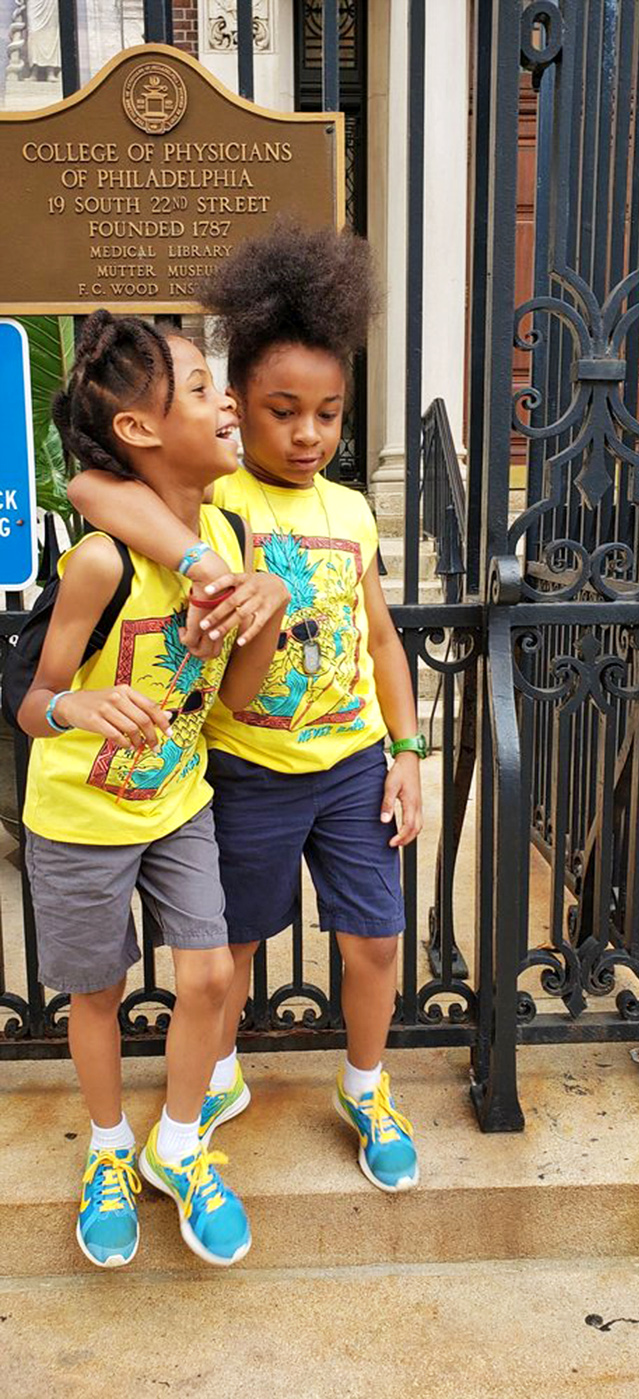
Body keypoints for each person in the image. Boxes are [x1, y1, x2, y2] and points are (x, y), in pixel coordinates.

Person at [69, 224, 426, 1194]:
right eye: (282, 411)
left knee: (376, 938)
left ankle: (364, 1084)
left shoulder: (350, 512)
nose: (307, 434)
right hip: (247, 769)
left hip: (351, 764)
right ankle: (210, 1083)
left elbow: (382, 640)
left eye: (328, 414)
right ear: (237, 410)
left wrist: (406, 748)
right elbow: (91, 487)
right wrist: (197, 557)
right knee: (228, 947)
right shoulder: (217, 499)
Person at [20, 310, 289, 1268]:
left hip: (179, 799)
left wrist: (266, 614)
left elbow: (240, 699)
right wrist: (77, 712)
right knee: (97, 993)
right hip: (80, 816)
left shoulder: (229, 526)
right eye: (204, 385)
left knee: (211, 973)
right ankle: (106, 1149)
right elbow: (35, 700)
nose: (229, 398)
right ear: (138, 429)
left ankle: (179, 1143)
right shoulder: (101, 560)